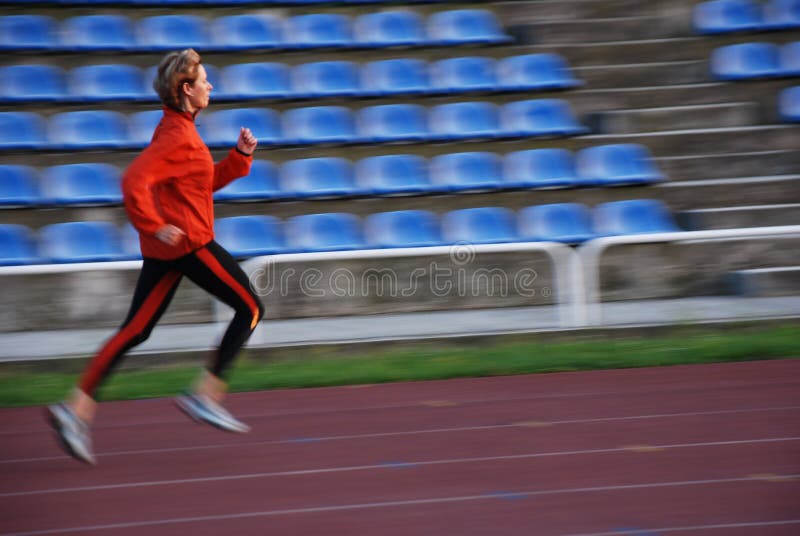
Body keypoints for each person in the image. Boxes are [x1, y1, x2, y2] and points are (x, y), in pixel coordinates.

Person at [46, 48, 265, 465]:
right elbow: (133, 181)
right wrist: (153, 224)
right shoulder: (176, 136)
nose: (210, 85)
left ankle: (74, 408)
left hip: (170, 249)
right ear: (186, 89)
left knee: (136, 331)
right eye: (204, 80)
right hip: (190, 245)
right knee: (252, 308)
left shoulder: (178, 129)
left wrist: (240, 158)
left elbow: (200, 186)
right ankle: (206, 394)